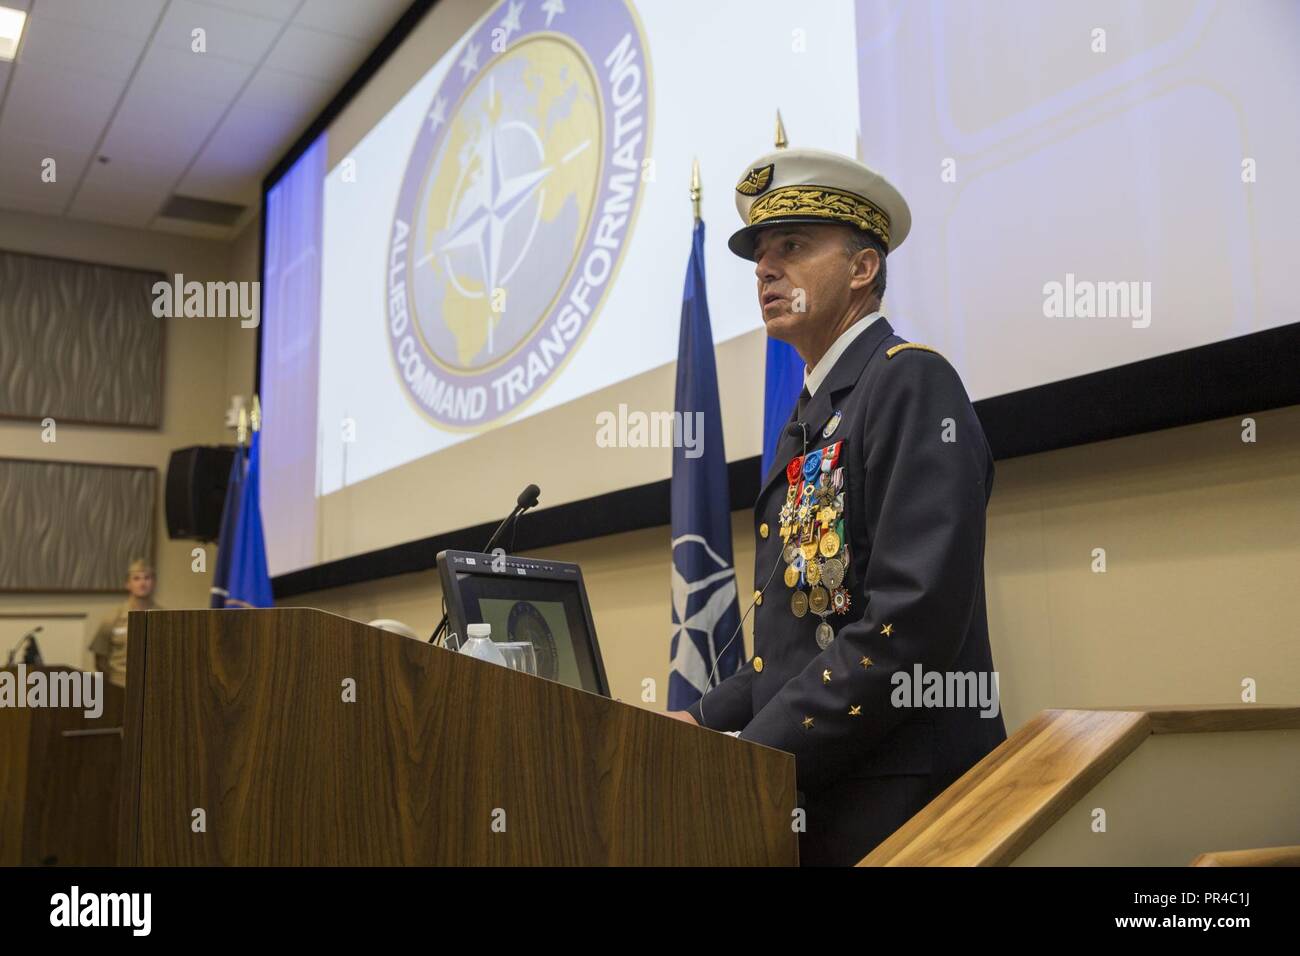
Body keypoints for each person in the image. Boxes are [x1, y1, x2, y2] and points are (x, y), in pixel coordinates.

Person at [669, 146, 1006, 866]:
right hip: (823, 792)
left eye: (791, 245)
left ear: (863, 268)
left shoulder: (911, 385)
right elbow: (800, 643)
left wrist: (749, 754)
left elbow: (905, 629)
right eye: (761, 253)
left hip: (901, 809)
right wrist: (695, 720)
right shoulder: (815, 414)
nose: (765, 268)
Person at [90, 558, 160, 689]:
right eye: (136, 578)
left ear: (154, 582)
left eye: (147, 578)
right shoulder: (112, 617)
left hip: (154, 686)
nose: (142, 583)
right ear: (128, 584)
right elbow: (100, 658)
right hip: (120, 685)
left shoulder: (164, 617)